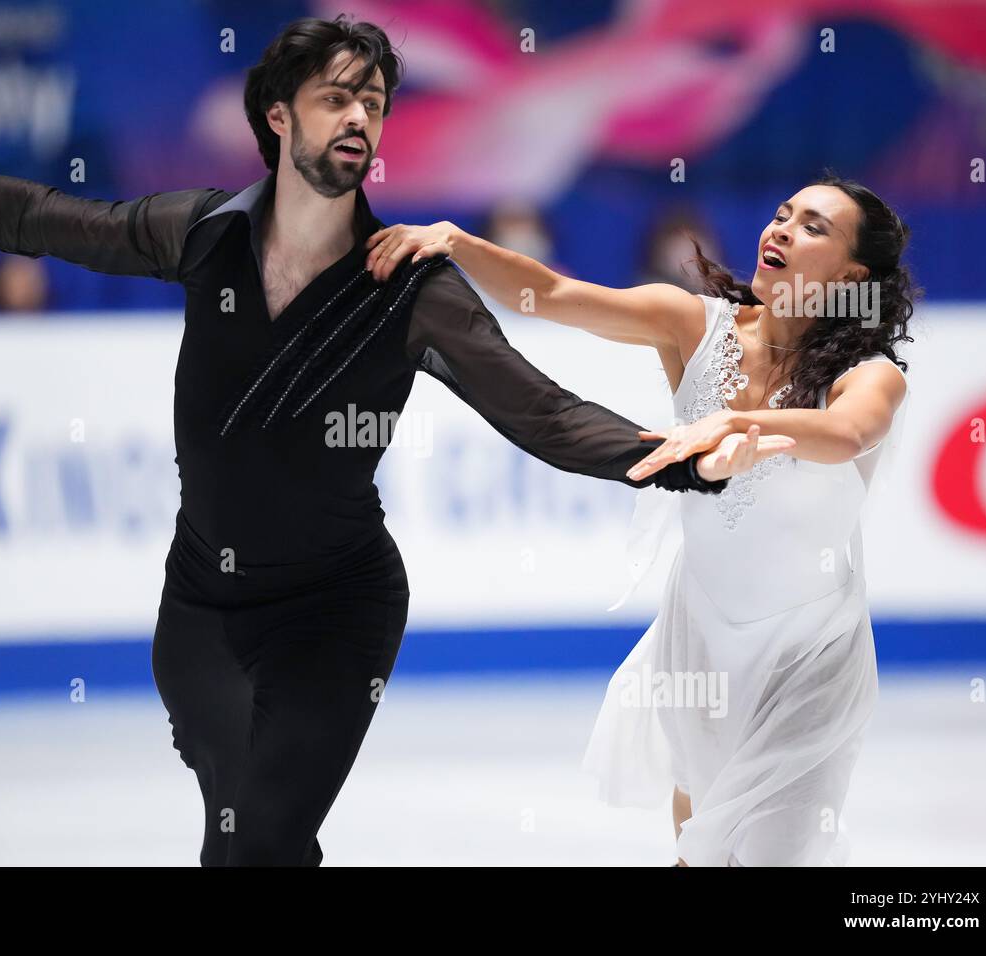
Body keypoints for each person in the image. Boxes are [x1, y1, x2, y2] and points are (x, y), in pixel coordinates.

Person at [0, 16, 787, 867]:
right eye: (338, 96)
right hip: (198, 609)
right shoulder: (203, 231)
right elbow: (38, 215)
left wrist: (692, 458)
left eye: (374, 102)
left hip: (339, 611)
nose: (360, 117)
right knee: (243, 842)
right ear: (278, 114)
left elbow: (546, 413)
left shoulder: (410, 284)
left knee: (259, 838)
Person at [367, 174, 915, 865]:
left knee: (779, 852)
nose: (780, 229)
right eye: (781, 214)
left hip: (812, 654)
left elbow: (848, 433)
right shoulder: (690, 321)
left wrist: (735, 418)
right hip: (702, 639)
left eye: (813, 227)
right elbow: (556, 296)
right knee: (700, 850)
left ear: (853, 274)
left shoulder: (871, 374)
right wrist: (456, 241)